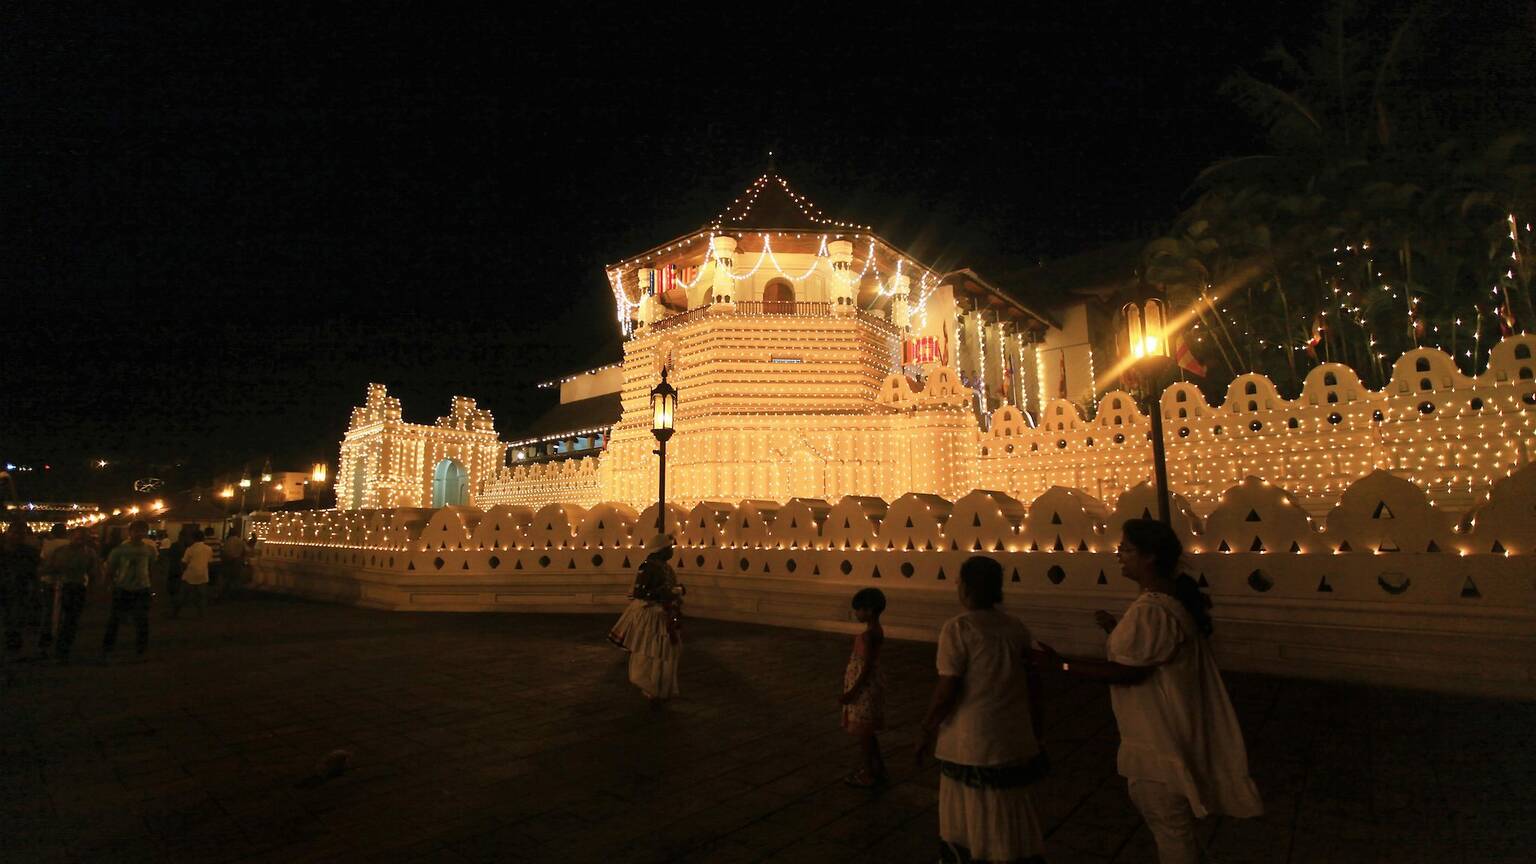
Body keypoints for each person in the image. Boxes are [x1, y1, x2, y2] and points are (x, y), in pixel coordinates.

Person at [1038, 518, 1262, 864]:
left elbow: (1130, 672)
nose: (1119, 555)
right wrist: (1116, 629)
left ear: (1149, 557)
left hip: (1158, 743)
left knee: (1172, 835)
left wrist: (1061, 665)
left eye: (1126, 549)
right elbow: (1147, 652)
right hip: (1175, 733)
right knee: (1178, 832)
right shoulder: (1166, 603)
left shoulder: (1151, 610)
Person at [917, 556, 1048, 864]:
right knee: (1007, 816)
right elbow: (1032, 684)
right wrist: (1036, 731)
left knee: (969, 817)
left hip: (970, 742)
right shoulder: (1014, 627)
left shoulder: (959, 628)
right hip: (1012, 737)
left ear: (965, 587)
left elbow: (946, 689)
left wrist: (927, 727)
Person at [607, 533, 684, 703]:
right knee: (650, 651)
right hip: (652, 616)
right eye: (669, 548)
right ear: (662, 550)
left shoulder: (664, 567)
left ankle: (659, 687)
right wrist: (667, 593)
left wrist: (675, 592)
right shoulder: (649, 567)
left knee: (662, 652)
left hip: (664, 615)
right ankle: (650, 685)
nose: (671, 551)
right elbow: (641, 593)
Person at [840, 587, 888, 787]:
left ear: (869, 610)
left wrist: (853, 691)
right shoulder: (876, 631)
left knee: (863, 734)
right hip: (870, 686)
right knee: (868, 732)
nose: (856, 614)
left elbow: (866, 666)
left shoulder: (868, 636)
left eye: (858, 610)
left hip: (864, 688)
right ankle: (877, 767)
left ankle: (869, 773)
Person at [42, 528, 100, 663]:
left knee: (71, 620)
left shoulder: (89, 553)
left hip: (78, 587)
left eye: (83, 538)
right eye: (77, 537)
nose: (80, 540)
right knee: (55, 619)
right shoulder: (61, 551)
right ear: (70, 536)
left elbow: (93, 573)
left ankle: (63, 650)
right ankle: (50, 647)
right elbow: (49, 568)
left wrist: (92, 590)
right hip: (61, 587)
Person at [101, 520, 158, 660]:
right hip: (122, 587)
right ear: (129, 532)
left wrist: (151, 587)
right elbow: (110, 570)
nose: (139, 534)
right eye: (136, 531)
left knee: (142, 620)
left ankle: (141, 649)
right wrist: (107, 586)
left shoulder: (149, 550)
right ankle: (108, 648)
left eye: (142, 531)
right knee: (115, 619)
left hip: (142, 588)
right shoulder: (120, 550)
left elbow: (151, 569)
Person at [176, 528, 215, 618]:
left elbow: (184, 562)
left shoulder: (190, 549)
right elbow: (209, 561)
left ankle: (176, 613)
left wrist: (183, 572)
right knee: (201, 595)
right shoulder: (208, 549)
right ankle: (201, 614)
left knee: (183, 594)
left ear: (193, 538)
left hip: (190, 573)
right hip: (203, 574)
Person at [218, 528, 245, 598]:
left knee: (227, 577)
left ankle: (225, 593)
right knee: (236, 578)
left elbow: (223, 551)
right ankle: (235, 594)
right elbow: (244, 550)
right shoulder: (240, 541)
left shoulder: (227, 541)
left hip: (227, 561)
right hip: (237, 561)